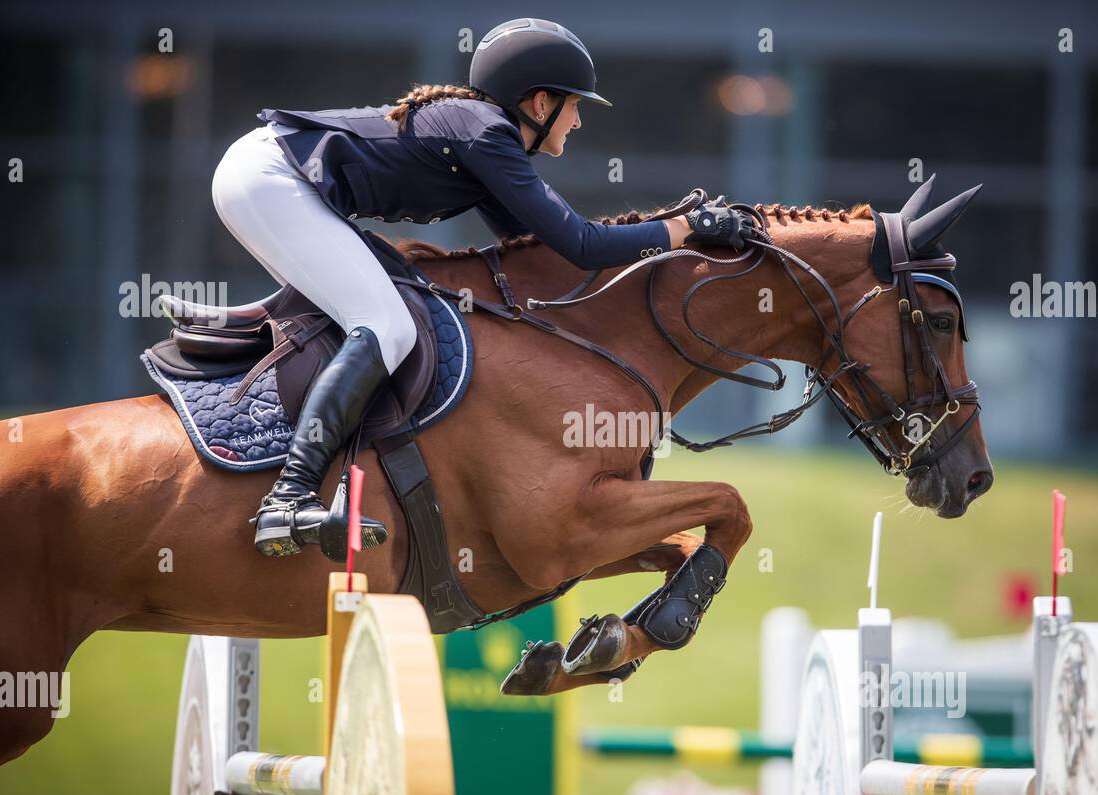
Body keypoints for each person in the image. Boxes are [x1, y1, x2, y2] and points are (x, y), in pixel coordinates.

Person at [209, 17, 755, 558]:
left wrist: (668, 245)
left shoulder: (484, 134)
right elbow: (583, 245)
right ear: (540, 104)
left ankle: (314, 470)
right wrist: (685, 229)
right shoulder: (485, 131)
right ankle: (288, 496)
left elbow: (543, 251)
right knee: (386, 326)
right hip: (270, 178)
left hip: (272, 178)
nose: (579, 122)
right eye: (576, 106)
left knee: (383, 315)